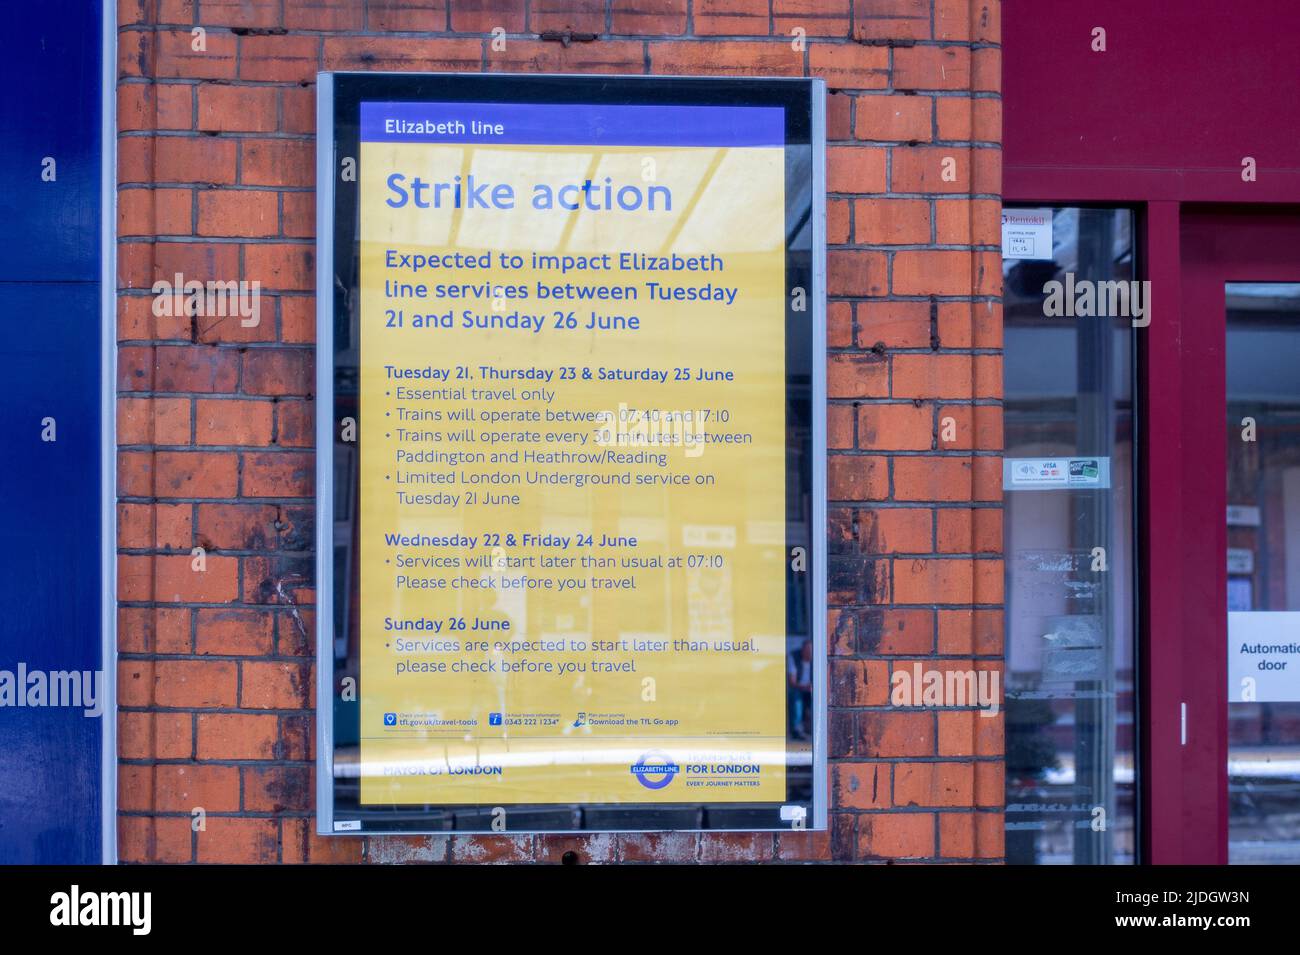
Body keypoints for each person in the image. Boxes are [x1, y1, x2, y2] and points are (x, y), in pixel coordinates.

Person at [787, 639, 814, 739]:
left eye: (810, 651)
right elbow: (792, 681)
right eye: (806, 650)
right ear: (802, 650)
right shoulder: (793, 657)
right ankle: (796, 729)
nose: (809, 653)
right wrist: (805, 687)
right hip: (798, 688)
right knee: (796, 698)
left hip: (810, 690)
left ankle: (812, 727)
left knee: (817, 698)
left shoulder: (817, 659)